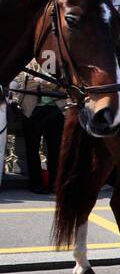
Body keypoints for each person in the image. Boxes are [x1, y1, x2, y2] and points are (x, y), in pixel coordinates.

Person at [13, 61, 66, 193]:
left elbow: (64, 85)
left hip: (56, 110)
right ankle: (36, 185)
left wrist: (42, 82)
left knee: (55, 150)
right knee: (32, 150)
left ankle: (55, 184)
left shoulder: (58, 64)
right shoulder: (29, 63)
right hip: (32, 111)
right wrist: (50, 84)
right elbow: (23, 84)